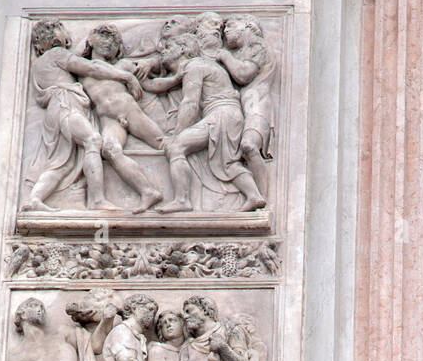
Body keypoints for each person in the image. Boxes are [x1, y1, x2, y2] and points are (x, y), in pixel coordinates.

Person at [22, 19, 140, 212]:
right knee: (93, 140)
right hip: (67, 104)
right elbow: (91, 68)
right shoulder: (57, 54)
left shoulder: (40, 63)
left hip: (56, 110)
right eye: (61, 29)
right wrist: (125, 76)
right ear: (54, 35)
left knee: (62, 163)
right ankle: (97, 200)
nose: (65, 33)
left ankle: (34, 198)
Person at [145, 33, 266, 213]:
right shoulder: (199, 66)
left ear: (183, 49)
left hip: (221, 115)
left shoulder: (195, 66)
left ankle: (182, 200)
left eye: (169, 47)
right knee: (228, 163)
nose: (163, 52)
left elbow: (190, 104)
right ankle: (254, 196)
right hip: (228, 115)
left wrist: (176, 134)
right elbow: (161, 85)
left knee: (176, 146)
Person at [77, 25, 165, 212]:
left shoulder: (124, 65)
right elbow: (82, 61)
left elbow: (160, 64)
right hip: (109, 120)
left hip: (130, 112)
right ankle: (148, 191)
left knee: (165, 144)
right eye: (103, 36)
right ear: (90, 41)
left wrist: (150, 63)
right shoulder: (82, 70)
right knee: (109, 150)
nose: (108, 42)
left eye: (115, 40)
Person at [218, 16, 277, 194]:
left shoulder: (257, 46)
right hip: (243, 109)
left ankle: (262, 199)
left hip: (257, 106)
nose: (226, 31)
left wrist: (225, 56)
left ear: (247, 27)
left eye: (230, 26)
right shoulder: (239, 53)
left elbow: (244, 74)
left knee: (249, 146)